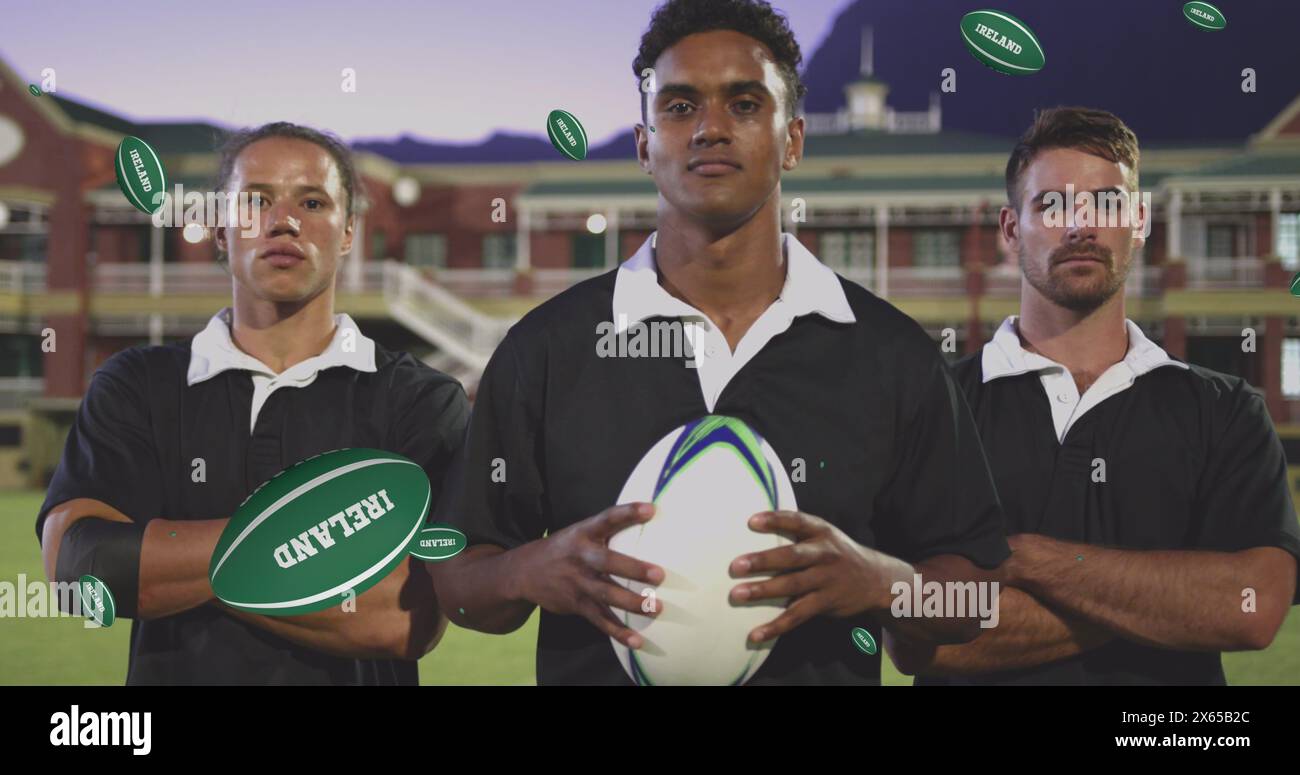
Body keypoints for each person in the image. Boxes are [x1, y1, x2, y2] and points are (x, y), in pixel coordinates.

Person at [429, 0, 1008, 685]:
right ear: (645, 145)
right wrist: (528, 569)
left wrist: (884, 585)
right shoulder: (545, 351)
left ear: (792, 139)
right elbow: (456, 585)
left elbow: (976, 599)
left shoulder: (892, 354)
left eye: (742, 104)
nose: (709, 128)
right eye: (678, 106)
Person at [37, 122, 468, 685]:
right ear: (220, 229)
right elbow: (80, 567)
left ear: (347, 232)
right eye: (255, 199)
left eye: (312, 201)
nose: (283, 220)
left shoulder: (421, 401)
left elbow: (405, 618)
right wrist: (313, 557)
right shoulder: (137, 385)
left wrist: (169, 564)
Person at [891, 107, 1300, 685]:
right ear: (1011, 230)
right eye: (1052, 205)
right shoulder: (934, 408)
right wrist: (1172, 596)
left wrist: (1029, 560)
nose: (1079, 226)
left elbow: (1251, 609)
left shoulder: (1225, 410)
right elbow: (924, 642)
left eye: (1105, 203)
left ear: (1138, 221)